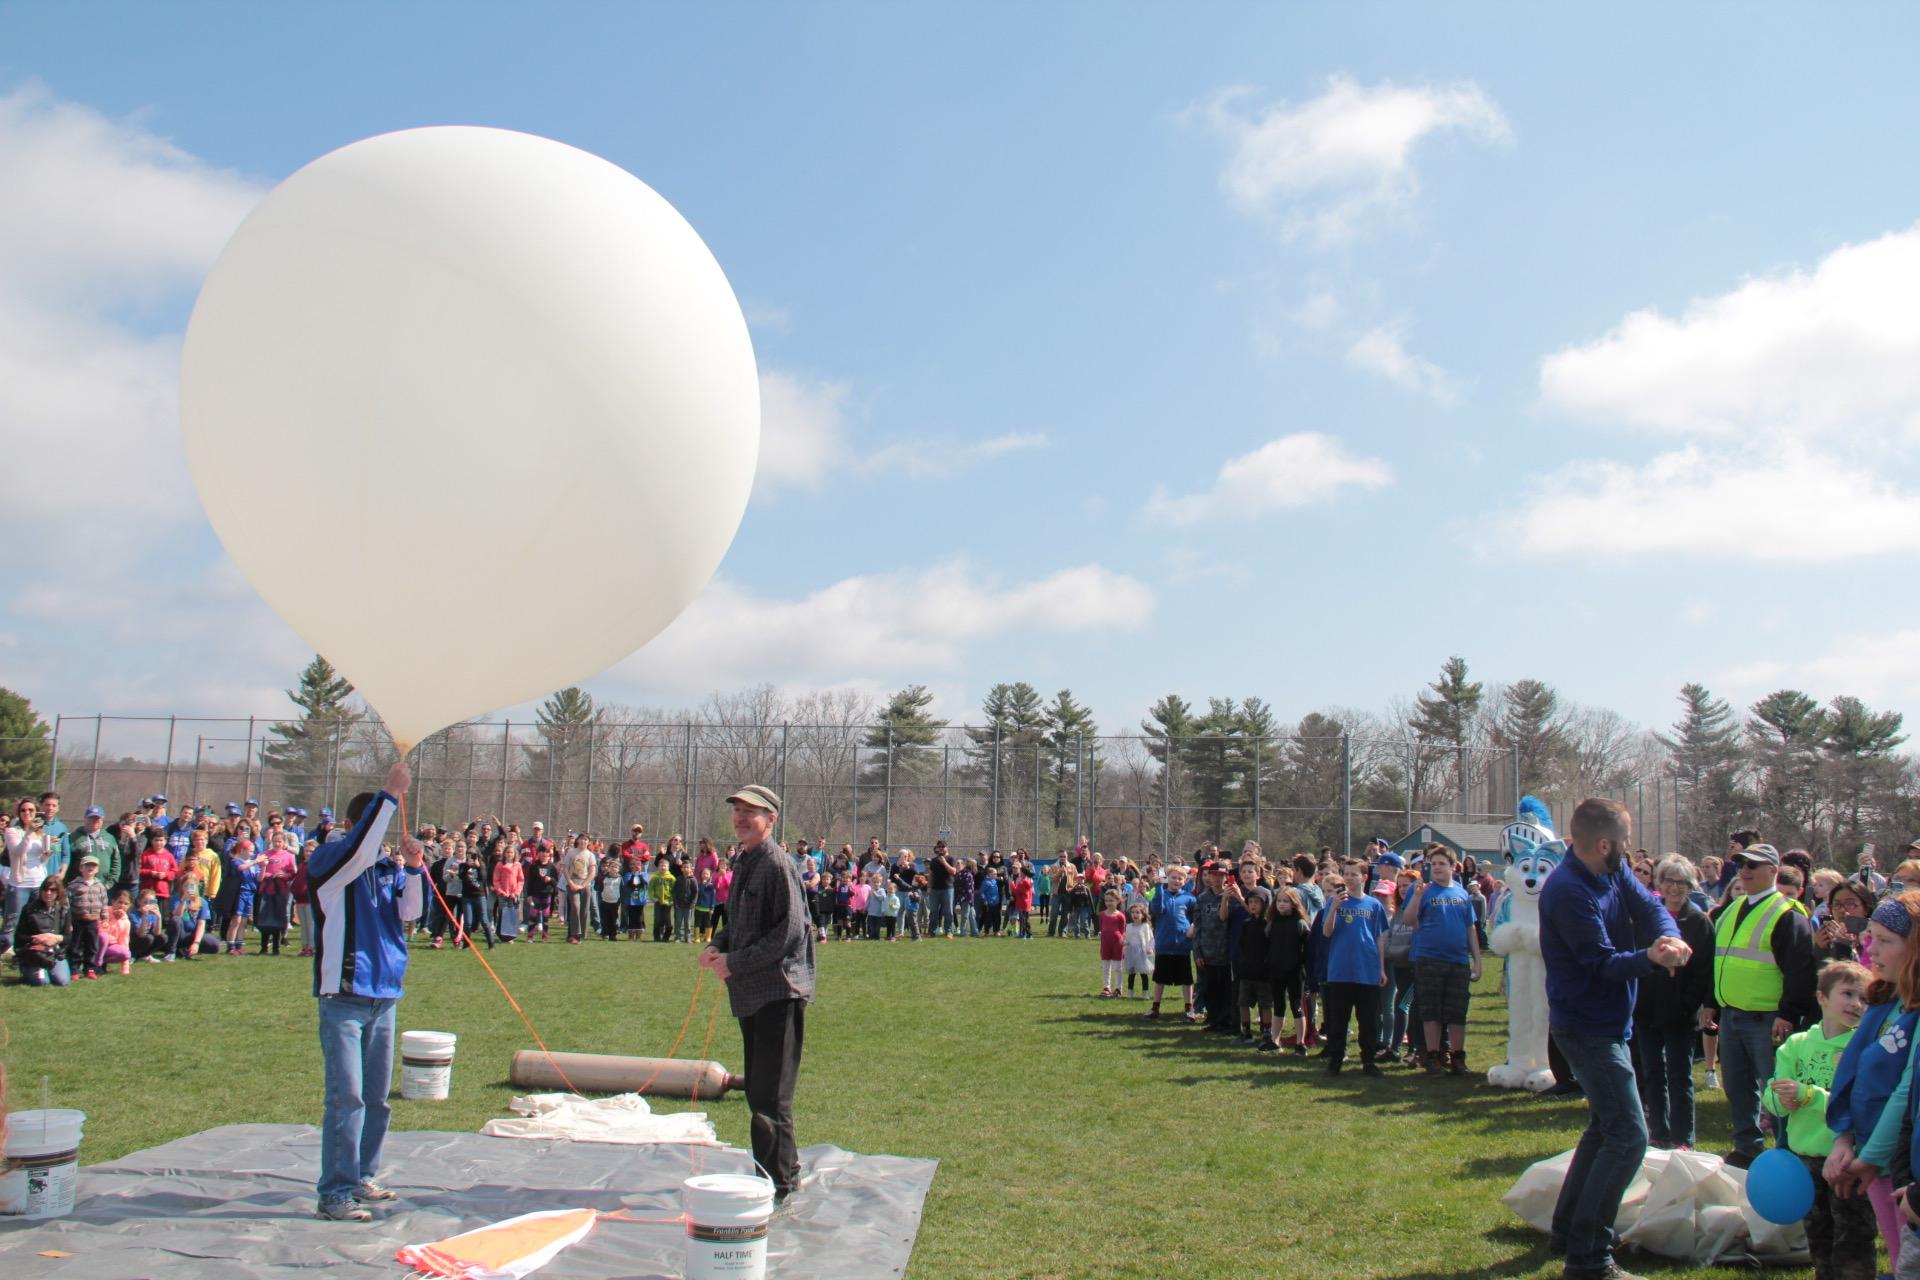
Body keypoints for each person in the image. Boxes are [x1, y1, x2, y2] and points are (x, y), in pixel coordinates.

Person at [1540, 798, 1689, 1280]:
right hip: (1586, 1027)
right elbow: (1601, 965)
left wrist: (1668, 937)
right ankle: (1588, 1258)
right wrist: (1653, 958)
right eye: (1622, 842)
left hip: (1605, 1024)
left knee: (1606, 1128)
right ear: (1603, 844)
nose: (1628, 851)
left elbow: (1649, 906)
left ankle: (1567, 1228)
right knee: (1629, 1136)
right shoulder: (1567, 891)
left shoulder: (1611, 871)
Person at [311, 757, 424, 1223]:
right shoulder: (330, 863)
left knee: (376, 1097)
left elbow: (411, 914)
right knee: (347, 1096)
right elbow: (358, 850)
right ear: (354, 827)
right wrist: (391, 795)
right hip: (344, 996)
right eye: (371, 830)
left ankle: (361, 1174)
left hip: (384, 996)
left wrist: (415, 867)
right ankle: (334, 1191)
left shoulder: (386, 871)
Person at [699, 785, 814, 1205]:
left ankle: (777, 1185)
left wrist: (736, 963)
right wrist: (719, 945)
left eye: (753, 812)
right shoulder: (746, 860)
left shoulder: (776, 864)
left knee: (770, 1096)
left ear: (771, 820)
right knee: (761, 1093)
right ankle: (785, 1170)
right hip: (752, 992)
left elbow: (789, 933)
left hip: (778, 992)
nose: (742, 818)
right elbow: (742, 922)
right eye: (738, 811)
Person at [1819, 892, 1920, 1273]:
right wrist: (1843, 1139)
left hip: (1898, 1164)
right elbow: (1852, 1074)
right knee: (1899, 1259)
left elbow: (1905, 1094)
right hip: (1870, 1159)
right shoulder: (1884, 999)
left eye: (1884, 941)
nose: (1869, 948)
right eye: (1870, 936)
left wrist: (1869, 1157)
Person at [1705, 841, 1817, 1169]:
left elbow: (1799, 971)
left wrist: (1787, 1014)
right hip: (1731, 1015)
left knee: (1777, 1092)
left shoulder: (1787, 914)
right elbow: (1719, 960)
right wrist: (1712, 1002)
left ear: (1772, 871)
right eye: (1741, 864)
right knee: (1738, 1089)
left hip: (1767, 1020)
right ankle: (1747, 1148)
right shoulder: (1730, 910)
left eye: (1753, 866)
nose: (1745, 871)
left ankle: (1787, 1151)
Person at [1763, 961, 1870, 1280]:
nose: (1856, 1003)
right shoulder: (1796, 1045)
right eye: (1848, 993)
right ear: (1822, 998)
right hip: (1804, 1158)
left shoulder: (1862, 1046)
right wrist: (1780, 1099)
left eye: (1863, 998)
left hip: (1847, 1160)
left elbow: (1857, 1102)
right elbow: (1772, 1095)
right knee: (1819, 1238)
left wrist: (1809, 1095)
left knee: (1853, 1238)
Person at [1633, 855, 1715, 1151]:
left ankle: (1683, 1137)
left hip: (1680, 1012)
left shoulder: (1699, 922)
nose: (1675, 888)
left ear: (1690, 886)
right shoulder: (1649, 917)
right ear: (1660, 883)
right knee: (1652, 1074)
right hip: (1647, 1008)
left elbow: (1704, 970)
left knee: (1679, 1076)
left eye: (1682, 882)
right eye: (1669, 881)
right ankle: (1659, 1132)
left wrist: (1688, 1004)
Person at [1402, 846, 1483, 1076]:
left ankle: (1458, 1057)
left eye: (1441, 864)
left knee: (1457, 1012)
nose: (1437, 867)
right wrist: (1417, 896)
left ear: (1452, 868)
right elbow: (1408, 920)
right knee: (1431, 1012)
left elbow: (1470, 928)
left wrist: (1477, 960)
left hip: (1458, 960)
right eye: (1433, 863)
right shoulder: (1424, 891)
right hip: (1429, 959)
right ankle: (1433, 1056)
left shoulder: (1461, 893)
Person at [1320, 857, 1389, 1075]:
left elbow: (1379, 937)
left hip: (1367, 969)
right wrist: (1335, 907)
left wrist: (1381, 968)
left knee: (1368, 1019)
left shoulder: (1373, 904)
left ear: (1364, 877)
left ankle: (1368, 1061)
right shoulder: (1335, 901)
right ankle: (1336, 1060)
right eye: (1346, 874)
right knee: (1339, 1019)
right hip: (1341, 969)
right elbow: (1327, 932)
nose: (1349, 878)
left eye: (1353, 874)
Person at [1145, 864, 1197, 1020]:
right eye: (1173, 877)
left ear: (1185, 880)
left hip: (1182, 946)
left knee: (1186, 979)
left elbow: (1196, 918)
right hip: (1164, 945)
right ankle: (1155, 1007)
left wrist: (1192, 929)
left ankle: (1189, 1008)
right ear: (1167, 879)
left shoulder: (1189, 898)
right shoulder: (1161, 894)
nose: (1176, 880)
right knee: (1160, 978)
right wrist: (1159, 886)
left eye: (1180, 878)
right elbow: (1157, 909)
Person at [13, 875, 72, 986]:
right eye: (45, 889)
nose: (48, 893)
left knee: (62, 981)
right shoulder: (29, 909)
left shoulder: (64, 910)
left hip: (55, 952)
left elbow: (68, 937)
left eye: (53, 890)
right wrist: (36, 939)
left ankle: (49, 969)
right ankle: (28, 969)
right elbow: (19, 937)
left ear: (58, 892)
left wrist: (56, 938)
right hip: (35, 953)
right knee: (42, 982)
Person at [1121, 900, 1154, 998]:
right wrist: (1124, 942)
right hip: (1131, 952)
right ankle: (1130, 992)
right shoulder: (1129, 926)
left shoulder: (1145, 927)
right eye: (1133, 912)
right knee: (1132, 973)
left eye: (1137, 912)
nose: (1135, 914)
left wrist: (1150, 949)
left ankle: (1145, 993)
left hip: (1142, 953)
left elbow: (1151, 939)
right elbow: (1127, 938)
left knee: (1143, 974)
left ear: (1143, 915)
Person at [1096, 888, 1126, 997]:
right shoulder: (1102, 915)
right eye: (1106, 900)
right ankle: (1106, 987)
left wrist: (1122, 942)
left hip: (1117, 944)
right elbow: (1101, 927)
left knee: (1118, 967)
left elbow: (1123, 931)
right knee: (1105, 966)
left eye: (1111, 900)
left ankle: (1118, 988)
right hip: (1105, 944)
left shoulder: (1120, 916)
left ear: (1117, 901)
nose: (1108, 903)